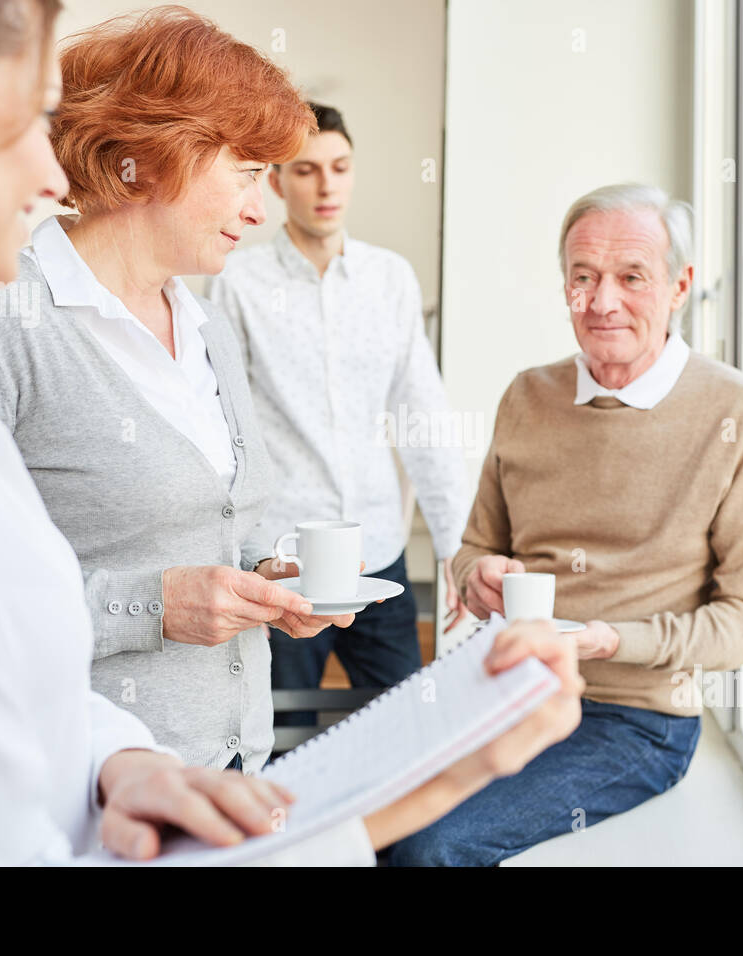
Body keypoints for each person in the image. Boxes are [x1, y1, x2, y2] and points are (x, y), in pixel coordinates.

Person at [0, 0, 582, 866]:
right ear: (143, 160)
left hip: (202, 764)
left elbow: (6, 625)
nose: (51, 176)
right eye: (246, 172)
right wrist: (441, 780)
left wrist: (118, 758)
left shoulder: (197, 324)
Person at [0, 8, 361, 770]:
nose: (261, 211)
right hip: (75, 790)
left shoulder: (206, 327)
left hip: (228, 775)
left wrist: (265, 578)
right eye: (246, 174)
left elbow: (217, 526)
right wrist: (153, 606)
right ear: (158, 155)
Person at [387, 184, 743, 866]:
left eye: (632, 277)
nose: (602, 302)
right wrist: (475, 574)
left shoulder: (737, 413)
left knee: (433, 846)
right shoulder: (527, 395)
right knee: (355, 817)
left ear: (680, 285)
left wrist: (613, 641)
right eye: (583, 277)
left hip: (635, 719)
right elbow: (477, 547)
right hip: (507, 686)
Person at [211, 103, 468, 717]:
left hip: (380, 556)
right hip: (284, 560)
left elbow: (422, 415)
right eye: (306, 171)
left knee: (408, 730)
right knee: (273, 735)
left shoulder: (391, 280)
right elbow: (224, 430)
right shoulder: (238, 283)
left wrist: (456, 545)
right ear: (275, 182)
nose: (326, 185)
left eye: (340, 167)